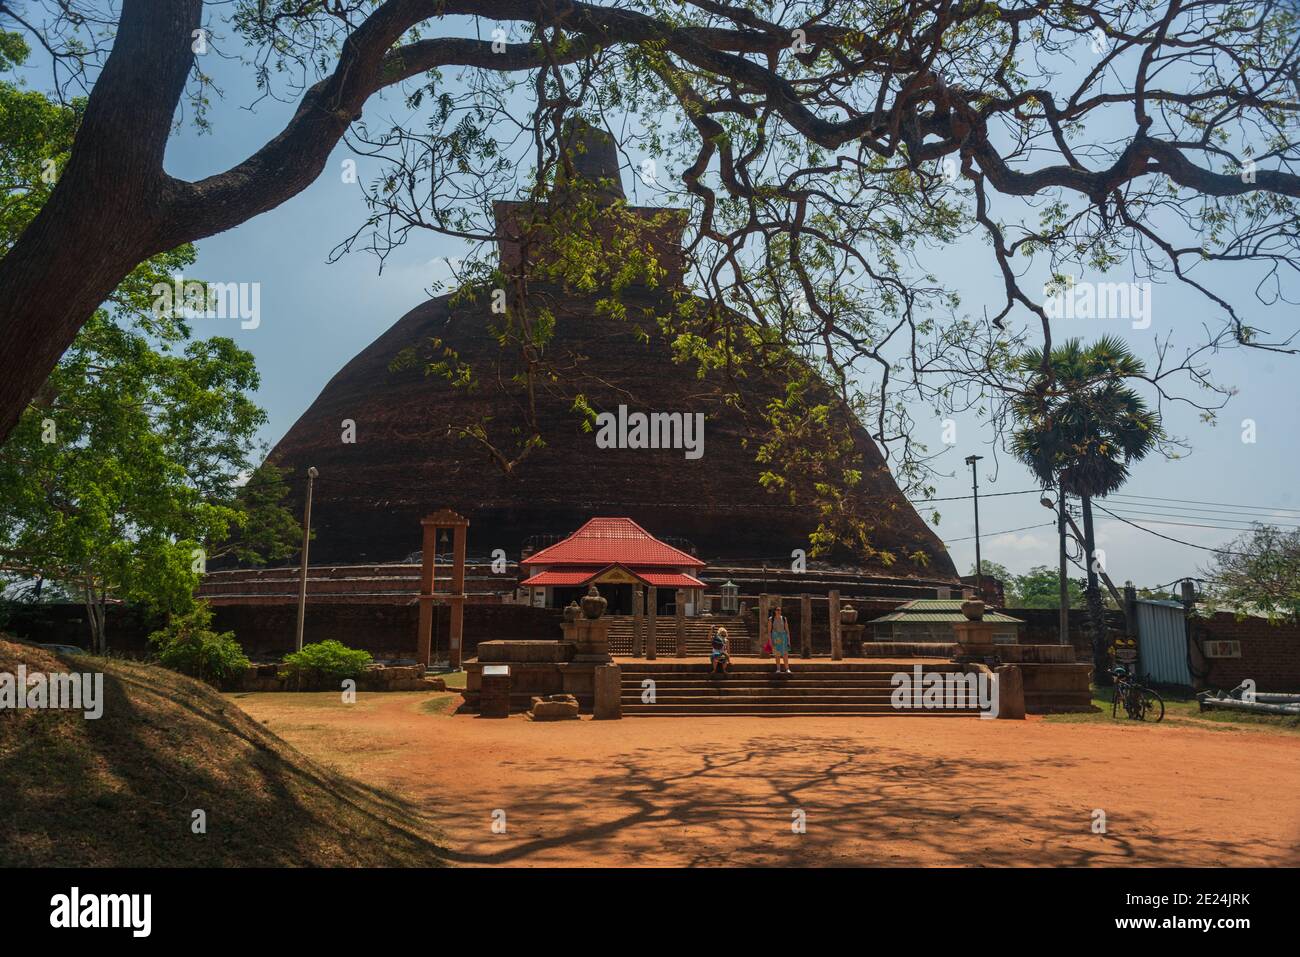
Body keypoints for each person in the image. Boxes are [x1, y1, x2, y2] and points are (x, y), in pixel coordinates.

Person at [769, 605, 792, 674]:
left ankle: (787, 668)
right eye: (777, 610)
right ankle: (778, 669)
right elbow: (769, 631)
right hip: (775, 637)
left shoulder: (784, 618)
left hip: (783, 636)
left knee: (785, 653)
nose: (779, 611)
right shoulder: (771, 619)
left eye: (780, 610)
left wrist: (789, 640)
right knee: (777, 654)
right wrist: (770, 641)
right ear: (775, 611)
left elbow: (787, 630)